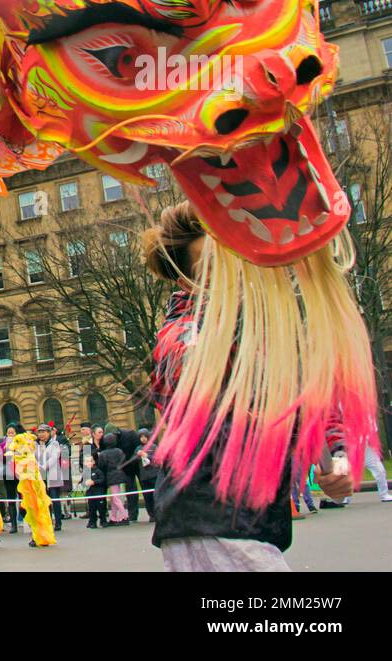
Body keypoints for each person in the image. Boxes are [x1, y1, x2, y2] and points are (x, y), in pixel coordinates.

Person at [141, 201, 349, 571]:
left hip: (247, 521)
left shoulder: (260, 326)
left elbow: (305, 395)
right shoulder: (182, 333)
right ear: (185, 280)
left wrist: (336, 458)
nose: (233, 272)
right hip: (208, 520)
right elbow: (186, 362)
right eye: (215, 267)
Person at [34, 424, 64, 531]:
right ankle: (48, 520)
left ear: (49, 433)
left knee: (55, 498)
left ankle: (58, 522)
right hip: (40, 476)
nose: (41, 434)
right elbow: (33, 457)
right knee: (44, 499)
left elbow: (54, 457)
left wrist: (43, 466)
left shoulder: (54, 444)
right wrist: (38, 467)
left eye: (44, 432)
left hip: (52, 474)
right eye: (39, 432)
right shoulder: (35, 444)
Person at [137, 429, 160, 522]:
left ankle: (158, 513)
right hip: (144, 477)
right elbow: (134, 461)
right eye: (141, 437)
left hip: (154, 475)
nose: (143, 439)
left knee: (156, 495)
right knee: (147, 497)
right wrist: (138, 455)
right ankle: (151, 514)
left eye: (144, 436)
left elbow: (158, 459)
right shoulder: (138, 448)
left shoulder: (153, 447)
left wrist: (147, 456)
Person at [83, 455, 106, 529]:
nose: (88, 463)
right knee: (92, 509)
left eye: (90, 461)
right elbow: (82, 482)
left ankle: (103, 520)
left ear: (93, 462)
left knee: (101, 508)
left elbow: (102, 480)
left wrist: (94, 482)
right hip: (90, 494)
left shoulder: (98, 471)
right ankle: (92, 522)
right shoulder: (85, 473)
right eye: (86, 461)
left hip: (99, 493)